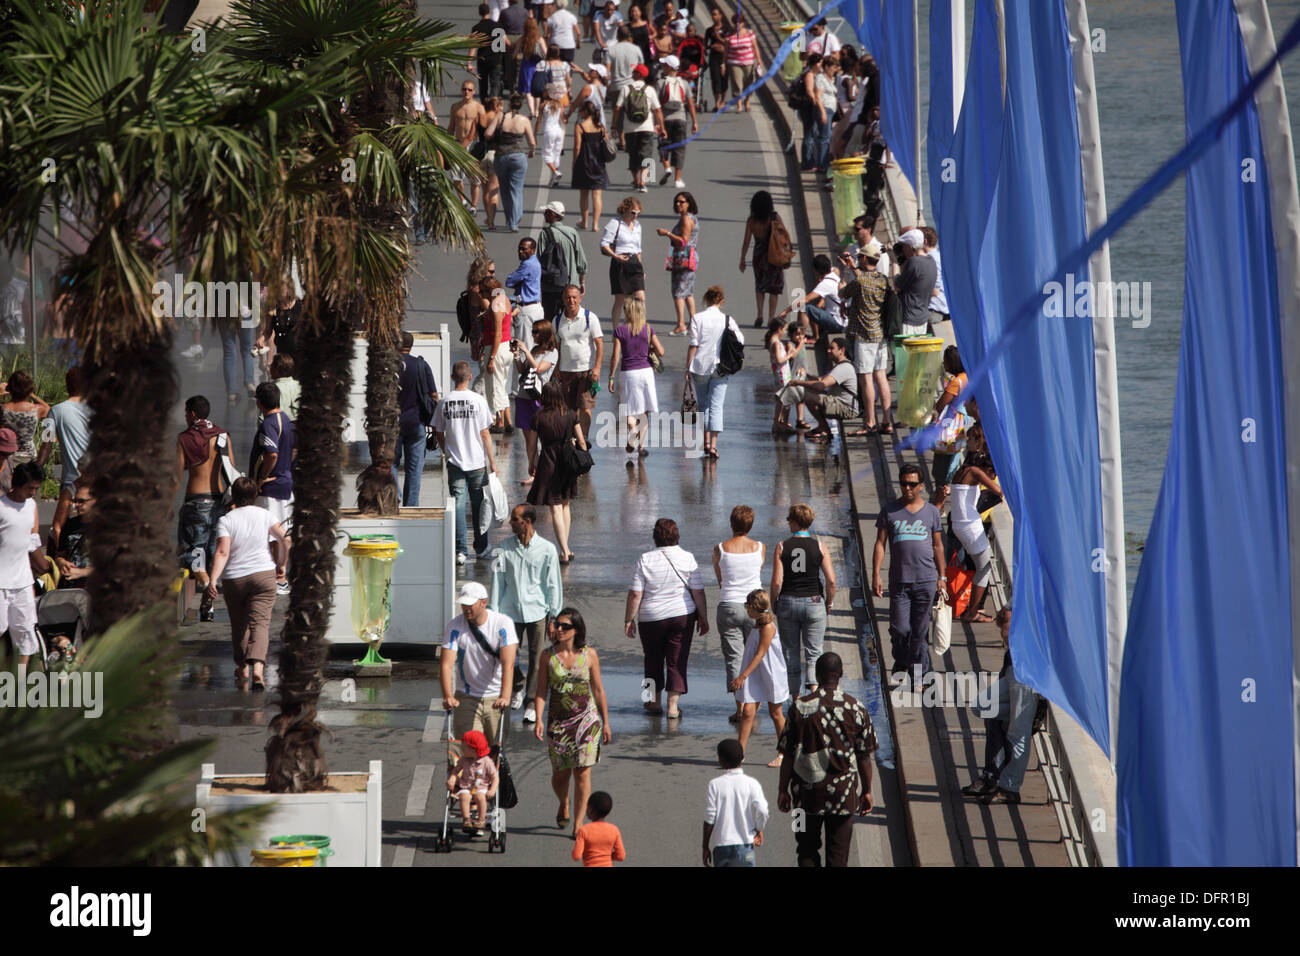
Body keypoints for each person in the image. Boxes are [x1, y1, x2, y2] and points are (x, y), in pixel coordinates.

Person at [777, 653, 876, 867]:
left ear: (817, 675)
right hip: (844, 796)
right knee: (838, 856)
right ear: (840, 675)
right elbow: (864, 757)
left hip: (804, 797)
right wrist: (867, 791)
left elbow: (788, 754)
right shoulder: (856, 708)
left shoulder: (799, 707)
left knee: (805, 850)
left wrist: (783, 790)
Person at [534, 607, 612, 835]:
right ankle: (563, 802)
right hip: (558, 722)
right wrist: (538, 718)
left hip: (587, 721)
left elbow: (598, 690)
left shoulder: (590, 655)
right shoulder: (548, 656)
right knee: (560, 776)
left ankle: (579, 825)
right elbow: (540, 691)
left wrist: (605, 722)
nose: (558, 629)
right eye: (557, 625)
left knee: (583, 773)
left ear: (576, 630)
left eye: (564, 626)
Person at [206, 476, 288, 690]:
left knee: (239, 624)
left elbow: (223, 551)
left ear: (234, 495)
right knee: (260, 623)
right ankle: (258, 671)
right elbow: (285, 539)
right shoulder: (265, 515)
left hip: (235, 578)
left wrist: (213, 579)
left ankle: (242, 668)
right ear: (255, 495)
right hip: (263, 575)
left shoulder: (227, 519)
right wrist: (282, 564)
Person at [624, 517, 709, 719]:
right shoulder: (687, 557)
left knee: (651, 659)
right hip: (681, 615)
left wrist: (629, 619)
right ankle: (673, 707)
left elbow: (635, 594)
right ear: (676, 535)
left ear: (655, 537)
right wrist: (703, 617)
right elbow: (698, 591)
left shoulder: (645, 558)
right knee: (677, 660)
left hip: (650, 618)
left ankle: (651, 702)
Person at [490, 503, 564, 723]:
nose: (510, 523)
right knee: (508, 657)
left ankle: (531, 701)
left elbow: (553, 585)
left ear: (527, 522)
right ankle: (517, 685)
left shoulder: (547, 549)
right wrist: (493, 614)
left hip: (537, 612)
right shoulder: (502, 548)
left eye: (514, 519)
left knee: (537, 659)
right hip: (509, 612)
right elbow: (497, 582)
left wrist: (554, 617)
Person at [873, 463, 946, 682]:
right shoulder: (889, 511)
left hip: (926, 580)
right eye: (904, 483)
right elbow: (879, 543)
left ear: (921, 486)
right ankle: (902, 659)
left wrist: (942, 577)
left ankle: (919, 675)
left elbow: (937, 546)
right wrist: (876, 573)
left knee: (920, 632)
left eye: (912, 484)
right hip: (900, 582)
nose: (907, 488)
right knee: (900, 629)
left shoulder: (931, 512)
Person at [961, 607, 1037, 806]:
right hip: (1013, 665)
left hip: (1027, 672)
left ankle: (1009, 788)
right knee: (982, 706)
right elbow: (1007, 615)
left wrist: (1010, 624)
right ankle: (993, 775)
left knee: (1018, 733)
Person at [176, 395, 237, 621]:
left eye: (185, 413)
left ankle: (205, 585)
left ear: (192, 414)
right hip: (218, 502)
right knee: (212, 556)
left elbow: (176, 476)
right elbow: (231, 468)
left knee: (194, 555)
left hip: (195, 502)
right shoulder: (221, 435)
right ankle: (208, 605)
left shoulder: (184, 438)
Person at [441, 580, 518, 758]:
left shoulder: (502, 624)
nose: (466, 608)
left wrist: (505, 696)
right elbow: (446, 664)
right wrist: (448, 696)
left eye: (470, 604)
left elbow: (508, 662)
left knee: (495, 754)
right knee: (469, 752)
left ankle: (495, 785)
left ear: (483, 602)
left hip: (495, 698)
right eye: (463, 604)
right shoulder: (454, 626)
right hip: (467, 698)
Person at [433, 362, 498, 565]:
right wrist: (492, 461)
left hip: (455, 462)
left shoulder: (445, 402)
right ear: (470, 377)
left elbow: (438, 431)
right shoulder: (478, 400)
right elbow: (485, 432)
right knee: (479, 505)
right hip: (477, 461)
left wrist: (446, 450)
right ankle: (481, 547)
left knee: (458, 506)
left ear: (453, 377)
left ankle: (460, 550)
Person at [769, 503, 836, 702]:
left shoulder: (782, 547)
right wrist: (829, 602)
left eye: (789, 519)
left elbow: (776, 581)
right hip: (814, 601)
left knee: (790, 651)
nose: (788, 523)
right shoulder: (820, 547)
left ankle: (795, 697)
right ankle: (814, 693)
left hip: (788, 601)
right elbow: (831, 580)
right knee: (814, 651)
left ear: (796, 522)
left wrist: (774, 602)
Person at [712, 505, 764, 725]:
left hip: (729, 605)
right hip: (755, 606)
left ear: (731, 524)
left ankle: (740, 707)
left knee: (734, 658)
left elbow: (720, 578)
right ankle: (755, 703)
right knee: (756, 655)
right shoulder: (759, 547)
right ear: (750, 525)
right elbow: (758, 570)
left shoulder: (720, 548)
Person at [526, 380, 586, 563]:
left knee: (555, 508)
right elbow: (582, 442)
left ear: (544, 396)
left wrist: (531, 463)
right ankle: (565, 548)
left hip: (548, 462)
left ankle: (565, 551)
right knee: (566, 504)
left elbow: (532, 446)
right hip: (567, 462)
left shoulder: (538, 417)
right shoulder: (570, 415)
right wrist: (581, 463)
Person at [0, 462, 51, 670]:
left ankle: (18, 685)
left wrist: (44, 566)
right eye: (30, 488)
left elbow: (32, 539)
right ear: (16, 484)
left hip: (22, 583)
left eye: (36, 488)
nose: (33, 492)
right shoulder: (1, 508)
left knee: (25, 633)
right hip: (1, 583)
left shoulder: (31, 506)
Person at [839, 241, 891, 437]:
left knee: (866, 378)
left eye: (859, 257)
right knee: (881, 376)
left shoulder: (859, 282)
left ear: (863, 259)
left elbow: (842, 292)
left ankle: (870, 421)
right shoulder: (883, 280)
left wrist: (845, 272)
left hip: (864, 336)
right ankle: (887, 421)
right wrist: (853, 268)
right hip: (880, 334)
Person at [730, 589, 788, 767]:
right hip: (757, 673)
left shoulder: (768, 626)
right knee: (748, 712)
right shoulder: (757, 623)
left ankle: (784, 753)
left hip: (771, 673)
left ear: (754, 607)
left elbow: (761, 654)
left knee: (776, 713)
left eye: (748, 606)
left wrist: (742, 676)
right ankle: (739, 755)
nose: (746, 609)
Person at [685, 285, 741, 459]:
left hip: (700, 366)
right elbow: (740, 339)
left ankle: (705, 442)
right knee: (716, 406)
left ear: (706, 299)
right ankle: (714, 447)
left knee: (703, 406)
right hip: (720, 367)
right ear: (721, 301)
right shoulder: (727, 320)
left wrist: (687, 368)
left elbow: (693, 345)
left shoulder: (697, 318)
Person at [250, 382, 294, 597]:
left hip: (271, 487)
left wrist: (261, 479)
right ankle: (280, 576)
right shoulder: (285, 419)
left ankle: (277, 576)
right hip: (285, 482)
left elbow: (272, 454)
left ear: (259, 402)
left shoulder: (268, 424)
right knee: (282, 532)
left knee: (271, 534)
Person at [775, 337, 860, 443]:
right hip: (840, 403)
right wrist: (806, 375)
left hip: (847, 408)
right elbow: (820, 379)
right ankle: (823, 427)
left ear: (842, 350)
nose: (828, 351)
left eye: (832, 348)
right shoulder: (840, 365)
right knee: (811, 394)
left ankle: (824, 428)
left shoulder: (843, 367)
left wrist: (798, 382)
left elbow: (821, 385)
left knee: (809, 397)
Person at [608, 298, 663, 457]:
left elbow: (615, 356)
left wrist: (611, 376)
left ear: (627, 312)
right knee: (644, 410)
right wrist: (649, 347)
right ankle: (641, 447)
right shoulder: (647, 329)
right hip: (646, 372)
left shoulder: (620, 330)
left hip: (628, 373)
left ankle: (632, 430)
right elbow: (661, 351)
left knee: (628, 408)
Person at [949, 453, 1001, 624]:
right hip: (969, 526)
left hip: (960, 523)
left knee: (980, 566)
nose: (992, 477)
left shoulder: (962, 471)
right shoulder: (975, 472)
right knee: (984, 568)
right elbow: (998, 489)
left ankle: (972, 608)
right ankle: (972, 612)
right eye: (992, 474)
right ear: (987, 469)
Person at [703, 738, 768, 867]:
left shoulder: (715, 784)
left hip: (721, 847)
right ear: (742, 759)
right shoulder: (751, 783)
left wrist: (705, 846)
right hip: (745, 846)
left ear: (720, 760)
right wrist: (758, 828)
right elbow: (763, 810)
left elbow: (710, 819)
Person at [46, 366, 92, 550]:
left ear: (67, 385)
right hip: (97, 481)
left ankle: (61, 558)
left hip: (71, 482)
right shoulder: (99, 411)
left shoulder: (55, 411)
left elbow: (46, 444)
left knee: (62, 528)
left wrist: (36, 469)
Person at [777, 253, 842, 375]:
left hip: (838, 323)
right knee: (815, 308)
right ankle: (815, 336)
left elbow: (805, 299)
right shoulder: (833, 274)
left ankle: (799, 337)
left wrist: (785, 311)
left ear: (817, 271)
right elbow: (837, 269)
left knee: (806, 308)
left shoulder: (825, 283)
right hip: (841, 317)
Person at [394, 331, 438, 507]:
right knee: (414, 470)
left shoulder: (389, 364)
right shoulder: (421, 364)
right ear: (411, 346)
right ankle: (411, 506)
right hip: (417, 422)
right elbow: (434, 395)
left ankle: (394, 498)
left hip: (393, 424)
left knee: (390, 464)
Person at [553, 284, 604, 437]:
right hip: (565, 371)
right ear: (563, 299)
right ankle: (571, 437)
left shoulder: (590, 317)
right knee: (568, 409)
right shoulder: (557, 320)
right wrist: (556, 369)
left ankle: (584, 439)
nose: (571, 300)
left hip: (586, 371)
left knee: (585, 407)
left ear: (580, 298)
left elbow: (599, 344)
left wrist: (597, 368)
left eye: (574, 297)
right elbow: (556, 347)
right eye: (568, 297)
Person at [513, 319, 559, 483]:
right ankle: (535, 471)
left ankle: (541, 472)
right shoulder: (534, 349)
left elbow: (539, 370)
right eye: (532, 331)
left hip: (539, 397)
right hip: (524, 395)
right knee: (528, 438)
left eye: (535, 332)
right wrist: (518, 355)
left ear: (545, 333)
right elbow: (522, 370)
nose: (533, 335)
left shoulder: (551, 352)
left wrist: (526, 350)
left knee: (539, 438)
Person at [487, 93, 536, 233]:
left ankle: (510, 220)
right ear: (521, 105)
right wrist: (531, 151)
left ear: (509, 104)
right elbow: (532, 141)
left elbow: (488, 133)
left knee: (504, 189)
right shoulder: (524, 120)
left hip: (501, 156)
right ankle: (515, 222)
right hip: (518, 156)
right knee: (516, 189)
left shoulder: (500, 116)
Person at [614, 65, 664, 192]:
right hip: (647, 127)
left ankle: (636, 182)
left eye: (634, 71)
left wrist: (614, 126)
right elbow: (657, 110)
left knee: (633, 155)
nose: (632, 72)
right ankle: (643, 182)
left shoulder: (626, 89)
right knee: (646, 154)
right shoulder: (649, 90)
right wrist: (662, 127)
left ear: (637, 74)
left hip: (630, 128)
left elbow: (617, 108)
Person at [739, 190, 785, 328]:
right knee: (774, 288)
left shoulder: (751, 221)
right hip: (774, 254)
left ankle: (759, 314)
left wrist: (742, 259)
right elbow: (784, 234)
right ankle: (771, 318)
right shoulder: (774, 217)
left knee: (760, 285)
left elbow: (746, 241)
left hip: (758, 255)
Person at [538, 200, 588, 320]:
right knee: (570, 319)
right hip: (571, 285)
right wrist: (582, 282)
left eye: (546, 212)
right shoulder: (572, 232)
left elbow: (540, 260)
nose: (544, 214)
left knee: (551, 319)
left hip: (552, 285)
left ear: (553, 214)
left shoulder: (545, 234)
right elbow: (581, 262)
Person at [657, 190, 698, 335]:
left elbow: (683, 241)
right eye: (677, 201)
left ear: (689, 203)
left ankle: (681, 324)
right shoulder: (691, 217)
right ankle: (693, 323)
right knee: (687, 292)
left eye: (682, 202)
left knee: (678, 292)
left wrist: (667, 233)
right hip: (689, 257)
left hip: (683, 257)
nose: (678, 204)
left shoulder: (686, 219)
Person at [601, 195, 646, 323]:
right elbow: (604, 244)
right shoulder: (615, 223)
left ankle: (639, 329)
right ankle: (617, 332)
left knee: (640, 298)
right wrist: (615, 256)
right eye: (633, 212)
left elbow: (638, 249)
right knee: (621, 300)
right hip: (620, 263)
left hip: (634, 263)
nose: (635, 216)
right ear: (625, 210)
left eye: (638, 213)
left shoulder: (637, 226)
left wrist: (641, 268)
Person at [478, 276, 515, 433]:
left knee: (496, 387)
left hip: (498, 349)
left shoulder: (496, 304)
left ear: (488, 290)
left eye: (482, 290)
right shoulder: (504, 298)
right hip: (506, 347)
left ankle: (499, 422)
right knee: (501, 384)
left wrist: (491, 358)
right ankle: (507, 422)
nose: (480, 294)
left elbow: (497, 334)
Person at [655, 56, 697, 188]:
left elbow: (656, 105)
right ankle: (677, 180)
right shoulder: (684, 83)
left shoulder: (660, 83)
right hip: (681, 119)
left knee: (663, 146)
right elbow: (690, 104)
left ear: (669, 68)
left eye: (664, 65)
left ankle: (667, 167)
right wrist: (695, 122)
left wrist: (656, 123)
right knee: (679, 149)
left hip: (665, 120)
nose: (663, 67)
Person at [447, 729, 498, 835]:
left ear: (473, 750)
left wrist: (492, 789)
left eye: (464, 747)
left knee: (480, 797)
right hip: (466, 786)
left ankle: (481, 820)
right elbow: (455, 770)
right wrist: (452, 778)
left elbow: (495, 777)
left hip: (482, 788)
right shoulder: (464, 759)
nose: (461, 749)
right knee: (464, 797)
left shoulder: (486, 761)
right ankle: (467, 820)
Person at [450, 79, 488, 212]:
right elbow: (451, 126)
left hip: (473, 145)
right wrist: (446, 143)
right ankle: (463, 200)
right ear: (461, 90)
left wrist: (483, 146)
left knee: (474, 178)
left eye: (470, 90)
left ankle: (474, 205)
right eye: (464, 89)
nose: (467, 92)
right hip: (458, 143)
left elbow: (483, 128)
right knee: (455, 176)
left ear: (474, 92)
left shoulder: (479, 107)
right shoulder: (455, 106)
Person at [571, 101, 610, 231]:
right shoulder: (601, 127)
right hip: (598, 163)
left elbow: (577, 147)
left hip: (584, 163)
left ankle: (585, 221)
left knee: (584, 194)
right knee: (597, 194)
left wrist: (574, 163)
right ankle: (596, 224)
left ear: (584, 111)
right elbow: (607, 142)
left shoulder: (580, 126)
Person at [766, 320, 809, 434]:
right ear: (779, 329)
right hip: (782, 374)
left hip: (782, 373)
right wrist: (790, 354)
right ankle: (778, 424)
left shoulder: (775, 342)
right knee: (783, 399)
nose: (784, 331)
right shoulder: (776, 343)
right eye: (784, 329)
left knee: (785, 399)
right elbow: (779, 360)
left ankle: (781, 423)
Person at [0, 369, 50, 467]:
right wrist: (32, 395)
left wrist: (1, 393)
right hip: (29, 458)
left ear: (10, 388)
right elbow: (49, 409)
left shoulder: (2, 409)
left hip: (7, 458)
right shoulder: (36, 410)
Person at [894, 228, 938, 336]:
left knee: (905, 352)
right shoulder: (932, 261)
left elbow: (897, 286)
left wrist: (894, 262)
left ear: (910, 247)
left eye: (904, 247)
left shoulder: (914, 262)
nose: (903, 250)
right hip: (922, 318)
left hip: (909, 319)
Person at [506, 236, 543, 356]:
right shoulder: (535, 262)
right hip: (536, 308)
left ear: (533, 250)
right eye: (519, 249)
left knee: (523, 347)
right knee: (534, 346)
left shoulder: (527, 264)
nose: (520, 251)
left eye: (524, 249)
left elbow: (509, 282)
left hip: (526, 310)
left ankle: (523, 374)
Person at [800, 53, 836, 174]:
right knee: (812, 135)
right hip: (811, 109)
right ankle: (810, 163)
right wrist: (820, 107)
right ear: (816, 64)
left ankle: (812, 162)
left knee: (816, 135)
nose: (821, 65)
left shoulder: (819, 76)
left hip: (817, 108)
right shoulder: (811, 75)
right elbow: (811, 92)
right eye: (820, 63)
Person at [54, 480, 93, 590]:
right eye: (75, 501)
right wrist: (61, 563)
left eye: (81, 501)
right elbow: (59, 555)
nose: (76, 505)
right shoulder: (69, 525)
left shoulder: (106, 527)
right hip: (71, 587)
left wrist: (82, 572)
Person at [605, 25, 645, 134]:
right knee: (632, 111)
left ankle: (622, 139)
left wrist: (607, 84)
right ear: (628, 36)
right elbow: (641, 68)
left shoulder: (611, 50)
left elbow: (607, 72)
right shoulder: (636, 49)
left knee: (618, 112)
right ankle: (631, 135)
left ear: (617, 36)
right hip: (633, 85)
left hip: (616, 86)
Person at [572, 791, 625, 865]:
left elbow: (576, 856)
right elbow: (621, 856)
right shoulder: (614, 830)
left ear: (590, 809)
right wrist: (608, 856)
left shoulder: (584, 831)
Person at [724, 11, 762, 111]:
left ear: (743, 23)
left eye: (739, 22)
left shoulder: (749, 33)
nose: (737, 24)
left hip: (749, 62)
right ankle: (739, 104)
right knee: (737, 84)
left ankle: (747, 100)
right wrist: (723, 63)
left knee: (750, 83)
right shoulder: (729, 34)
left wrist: (759, 60)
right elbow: (726, 50)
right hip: (734, 63)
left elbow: (755, 47)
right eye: (735, 22)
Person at [513, 16, 548, 115]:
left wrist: (519, 56)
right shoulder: (539, 38)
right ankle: (537, 111)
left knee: (528, 90)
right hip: (538, 65)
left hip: (527, 66)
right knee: (536, 88)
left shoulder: (523, 39)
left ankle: (532, 110)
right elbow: (546, 53)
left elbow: (516, 54)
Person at [471, 4, 507, 99]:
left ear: (479, 13)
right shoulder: (497, 25)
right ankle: (493, 103)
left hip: (482, 60)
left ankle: (484, 105)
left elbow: (473, 46)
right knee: (495, 84)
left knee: (483, 86)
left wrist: (469, 62)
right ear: (489, 12)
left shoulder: (477, 28)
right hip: (496, 60)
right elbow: (505, 42)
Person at [479, 96, 503, 230]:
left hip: (481, 154)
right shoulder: (499, 118)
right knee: (493, 190)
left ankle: (488, 217)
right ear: (496, 106)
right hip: (494, 154)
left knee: (485, 190)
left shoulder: (481, 117)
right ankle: (491, 221)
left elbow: (472, 135)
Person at [535, 91, 567, 187]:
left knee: (546, 154)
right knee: (556, 155)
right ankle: (554, 179)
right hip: (559, 132)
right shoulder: (560, 105)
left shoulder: (543, 105)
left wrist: (534, 134)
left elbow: (539, 121)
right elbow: (563, 120)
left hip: (549, 132)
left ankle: (555, 172)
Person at [921, 226, 949, 329]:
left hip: (935, 310)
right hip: (940, 308)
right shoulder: (937, 256)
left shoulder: (931, 260)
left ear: (924, 241)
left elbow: (935, 290)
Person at [703, 7, 729, 111]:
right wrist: (710, 47)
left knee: (724, 79)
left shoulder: (726, 29)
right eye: (712, 14)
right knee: (715, 79)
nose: (714, 17)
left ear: (720, 15)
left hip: (724, 58)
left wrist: (719, 39)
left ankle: (723, 100)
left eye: (716, 14)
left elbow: (728, 43)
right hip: (714, 57)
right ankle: (717, 102)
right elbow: (705, 44)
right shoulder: (709, 30)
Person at [270, 353, 301, 420]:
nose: (270, 366)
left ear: (276, 369)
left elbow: (264, 417)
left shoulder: (271, 389)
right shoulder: (299, 386)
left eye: (272, 365)